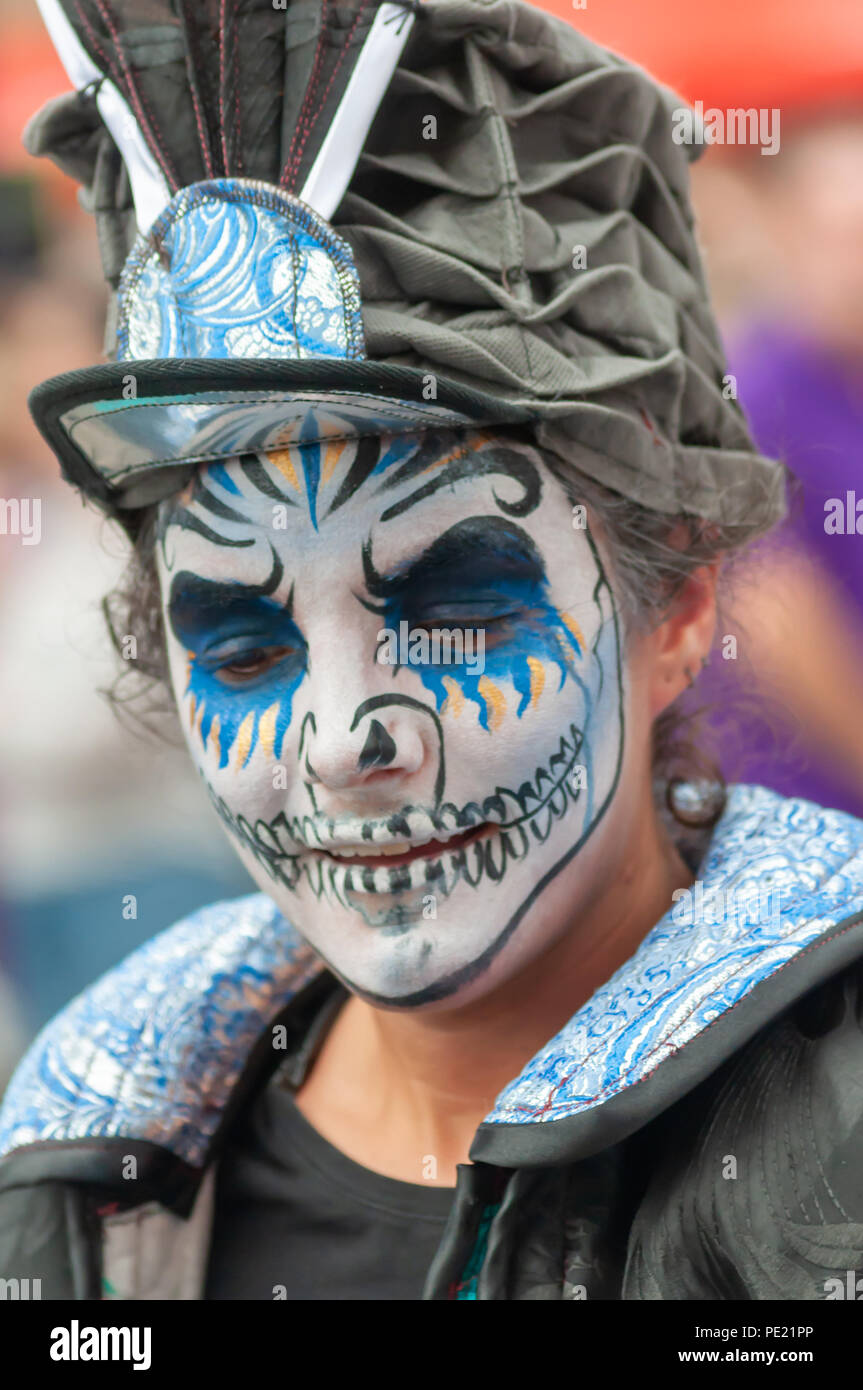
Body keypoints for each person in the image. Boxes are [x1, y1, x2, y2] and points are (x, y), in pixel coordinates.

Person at [1, 0, 862, 1302]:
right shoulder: (97, 1157)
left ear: (678, 605)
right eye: (241, 647)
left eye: (456, 606)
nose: (345, 741)